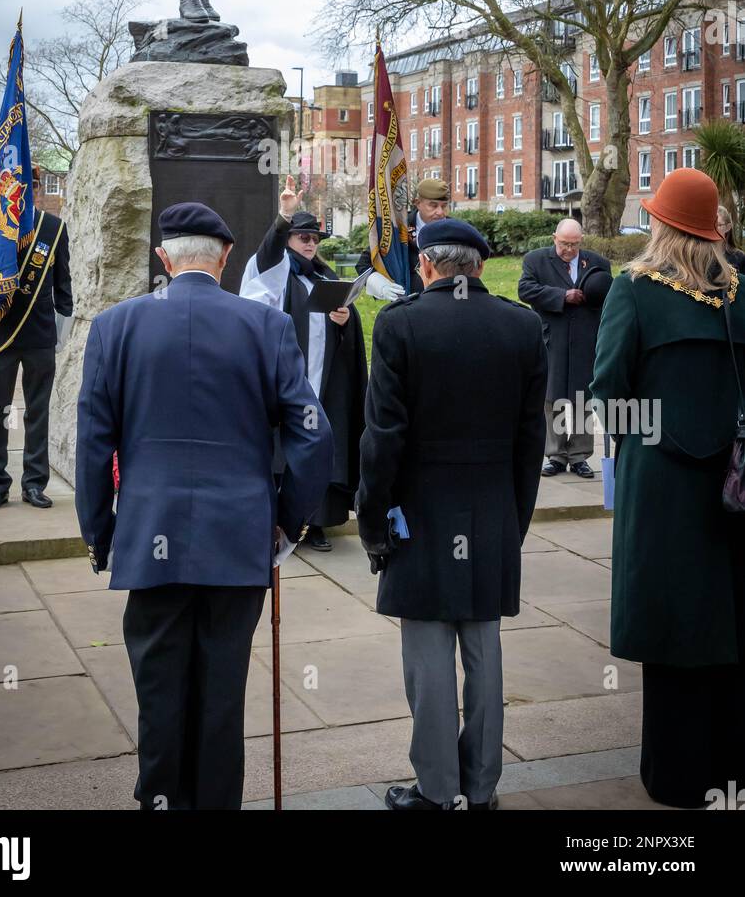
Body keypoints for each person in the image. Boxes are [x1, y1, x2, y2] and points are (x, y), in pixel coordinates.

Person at [75, 202, 332, 811]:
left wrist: (100, 530)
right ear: (225, 257)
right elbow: (312, 434)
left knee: (159, 686)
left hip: (150, 531)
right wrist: (286, 521)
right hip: (237, 534)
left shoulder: (116, 326)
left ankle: (161, 800)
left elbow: (93, 442)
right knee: (222, 690)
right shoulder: (264, 326)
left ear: (164, 258)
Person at [356, 218, 547, 811]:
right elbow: (529, 437)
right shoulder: (522, 325)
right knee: (484, 649)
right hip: (492, 507)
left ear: (428, 267)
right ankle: (481, 787)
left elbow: (382, 438)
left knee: (428, 654)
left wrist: (372, 520)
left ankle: (439, 791)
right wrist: (515, 518)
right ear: (480, 267)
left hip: (421, 511)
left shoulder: (400, 324)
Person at [591, 168, 745, 809]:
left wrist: (652, 434)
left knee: (673, 625)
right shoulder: (741, 289)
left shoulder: (634, 290)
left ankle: (680, 778)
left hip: (663, 487)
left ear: (660, 224)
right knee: (729, 625)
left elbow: (607, 390)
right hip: (737, 487)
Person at [241, 175, 367, 551]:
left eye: (314, 239)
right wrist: (284, 215)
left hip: (323, 381)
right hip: (286, 381)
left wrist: (346, 322)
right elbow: (267, 257)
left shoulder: (325, 276)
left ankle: (315, 522)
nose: (310, 244)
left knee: (319, 449)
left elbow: (347, 329)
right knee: (286, 452)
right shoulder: (275, 271)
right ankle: (281, 521)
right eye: (302, 237)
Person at [0, 202, 72, 512]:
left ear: (35, 187)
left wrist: (63, 332)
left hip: (40, 335)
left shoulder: (53, 227)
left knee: (37, 412)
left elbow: (63, 283)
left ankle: (34, 483)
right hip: (1, 335)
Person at [517, 218, 611, 478]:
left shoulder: (597, 263)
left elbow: (607, 296)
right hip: (552, 337)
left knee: (583, 398)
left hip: (586, 338)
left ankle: (580, 456)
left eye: (573, 244)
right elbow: (525, 290)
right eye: (563, 244)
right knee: (552, 398)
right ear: (554, 238)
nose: (568, 249)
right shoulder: (535, 260)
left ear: (581, 241)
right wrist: (561, 296)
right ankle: (556, 455)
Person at [356, 177, 450, 300]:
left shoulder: (454, 230)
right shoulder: (397, 228)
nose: (440, 212)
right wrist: (380, 285)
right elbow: (364, 264)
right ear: (417, 203)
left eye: (444, 206)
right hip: (407, 307)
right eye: (433, 206)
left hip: (445, 302)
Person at [717, 204, 745, 271]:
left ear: (728, 227)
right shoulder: (700, 254)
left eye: (718, 225)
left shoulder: (739, 257)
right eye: (711, 224)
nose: (714, 228)